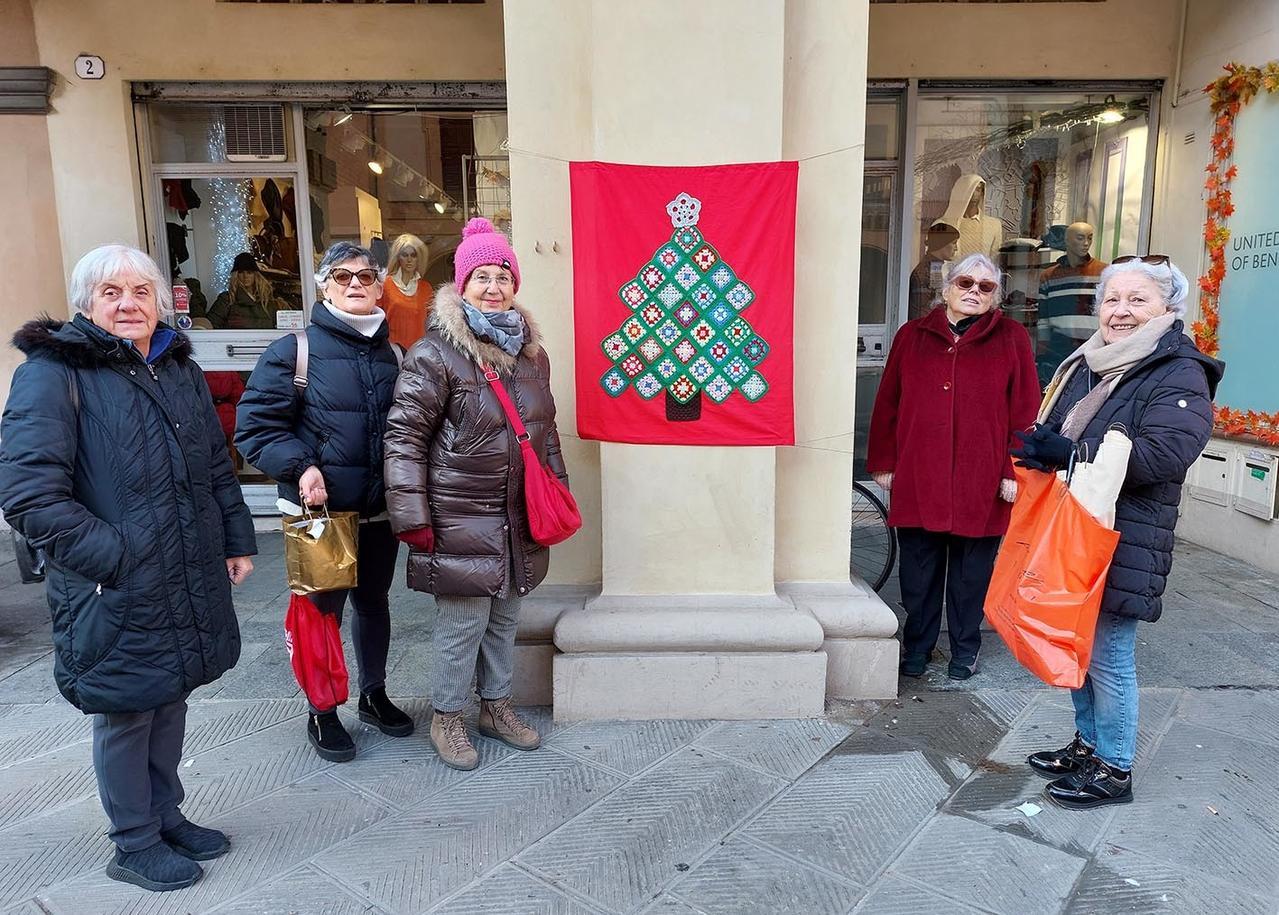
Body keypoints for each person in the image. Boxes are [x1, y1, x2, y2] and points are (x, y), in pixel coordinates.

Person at [0, 245, 256, 892]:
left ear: (161, 302)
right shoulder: (53, 373)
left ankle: (166, 814)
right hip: (112, 580)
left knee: (169, 694)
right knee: (125, 708)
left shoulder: (176, 367)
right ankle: (133, 841)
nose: (127, 303)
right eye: (110, 291)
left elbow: (214, 468)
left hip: (182, 570)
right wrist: (113, 558)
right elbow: (30, 494)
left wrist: (235, 537)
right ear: (86, 303)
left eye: (141, 291)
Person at [1014, 255, 1222, 810]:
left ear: (1167, 308)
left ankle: (1115, 766)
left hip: (1127, 535)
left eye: (1138, 300)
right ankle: (1088, 745)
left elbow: (1166, 454)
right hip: (1076, 528)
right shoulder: (1091, 362)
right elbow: (1065, 429)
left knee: (1108, 653)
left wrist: (1073, 453)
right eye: (1112, 299)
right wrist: (1042, 445)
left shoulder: (1179, 369)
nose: (1121, 312)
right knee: (1077, 646)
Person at [384, 217, 567, 771]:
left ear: (515, 286)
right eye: (481, 276)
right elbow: (403, 440)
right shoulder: (434, 355)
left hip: (517, 516)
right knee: (462, 625)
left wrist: (555, 490)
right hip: (459, 515)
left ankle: (495, 706)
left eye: (502, 276)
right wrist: (411, 518)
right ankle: (447, 717)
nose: (493, 286)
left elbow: (546, 434)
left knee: (505, 617)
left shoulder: (533, 358)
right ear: (461, 287)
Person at [235, 241, 413, 763]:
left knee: (374, 605)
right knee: (321, 612)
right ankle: (322, 710)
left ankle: (374, 694)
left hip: (378, 511)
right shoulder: (294, 350)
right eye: (342, 277)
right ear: (323, 286)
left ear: (380, 286)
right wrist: (301, 465)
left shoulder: (395, 354)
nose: (355, 285)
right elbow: (255, 429)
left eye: (365, 276)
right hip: (319, 513)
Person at [867, 253, 1040, 680]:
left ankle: (965, 648)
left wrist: (1012, 470)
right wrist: (885, 461)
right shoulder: (912, 335)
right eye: (965, 283)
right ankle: (918, 646)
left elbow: (1025, 410)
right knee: (919, 570)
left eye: (985, 287)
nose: (973, 292)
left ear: (996, 296)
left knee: (970, 572)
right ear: (946, 288)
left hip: (980, 474)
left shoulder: (1012, 337)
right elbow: (888, 401)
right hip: (919, 471)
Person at [1036, 221, 1108, 385]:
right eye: (1080, 238)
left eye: (1090, 238)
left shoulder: (1104, 272)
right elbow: (1043, 320)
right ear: (1067, 241)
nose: (1086, 243)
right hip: (1058, 352)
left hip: (1094, 349)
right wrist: (1042, 354)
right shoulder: (1048, 276)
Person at [381, 233, 435, 349]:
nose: (409, 260)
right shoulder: (385, 286)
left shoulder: (426, 289)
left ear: (418, 257)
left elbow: (432, 325)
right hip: (391, 351)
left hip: (419, 352)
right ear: (398, 257)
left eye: (413, 255)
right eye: (404, 255)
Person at [209, 253, 281, 330]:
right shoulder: (227, 299)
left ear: (255, 275)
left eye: (249, 272)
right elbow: (212, 324)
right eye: (241, 272)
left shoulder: (268, 300)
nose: (245, 276)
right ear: (236, 275)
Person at [907, 223, 960, 321]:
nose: (956, 248)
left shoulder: (934, 267)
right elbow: (923, 309)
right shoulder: (925, 271)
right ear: (942, 243)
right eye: (953, 243)